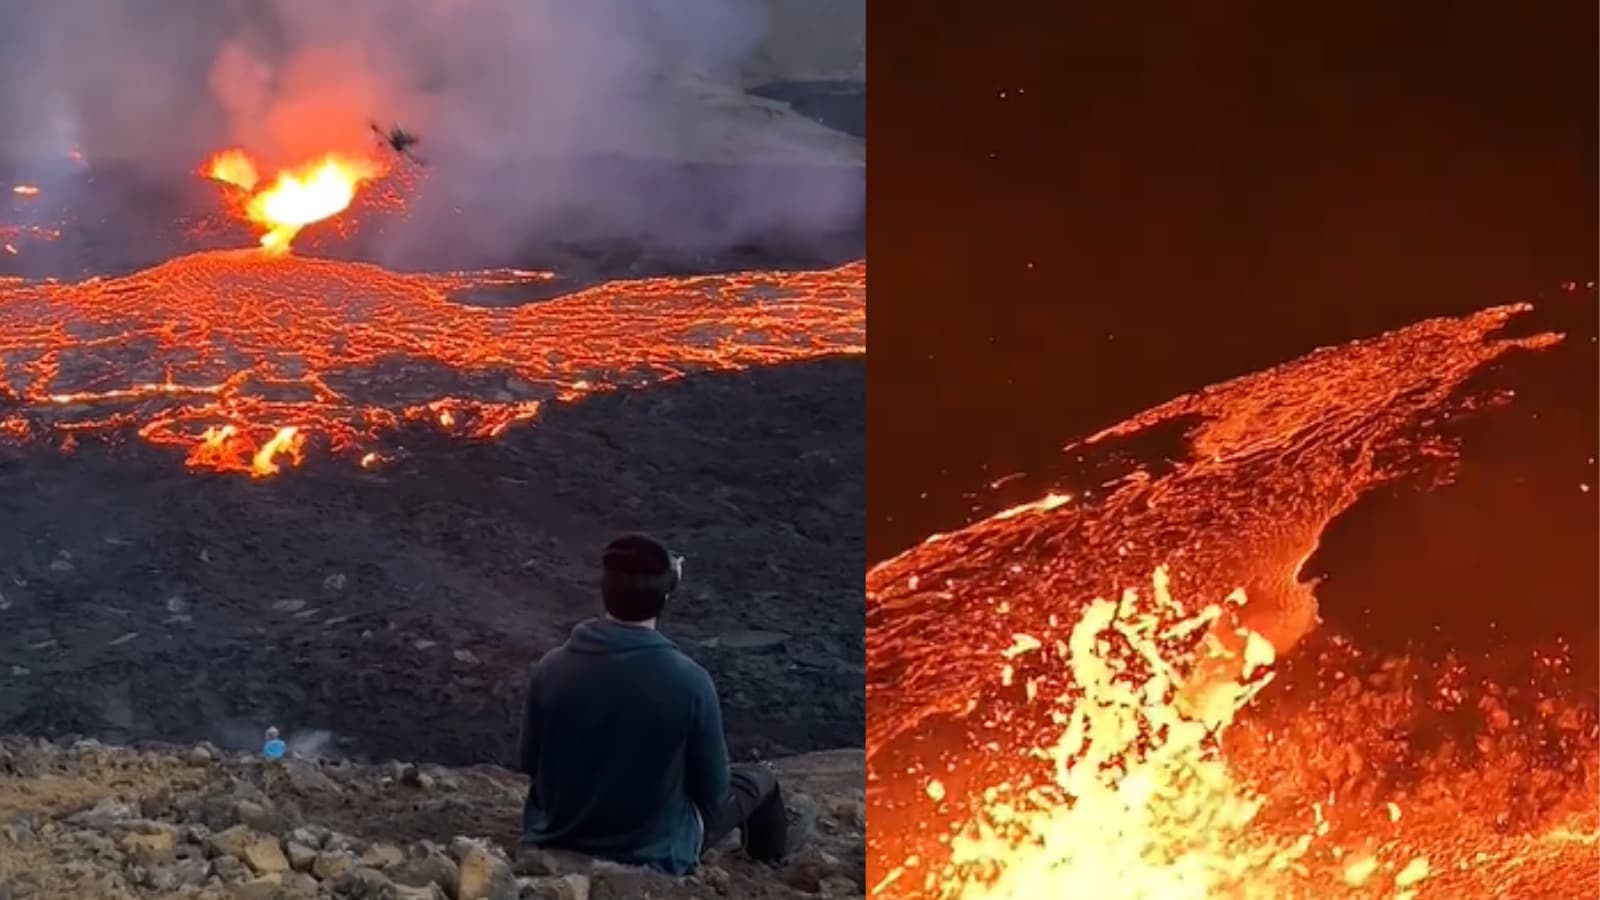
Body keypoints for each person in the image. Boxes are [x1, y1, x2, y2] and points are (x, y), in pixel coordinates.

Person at [517, 533, 797, 875]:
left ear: (604, 592)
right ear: (666, 597)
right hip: (652, 849)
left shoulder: (551, 667)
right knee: (760, 781)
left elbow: (528, 762)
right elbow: (714, 791)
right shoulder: (690, 681)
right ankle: (769, 868)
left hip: (558, 833)